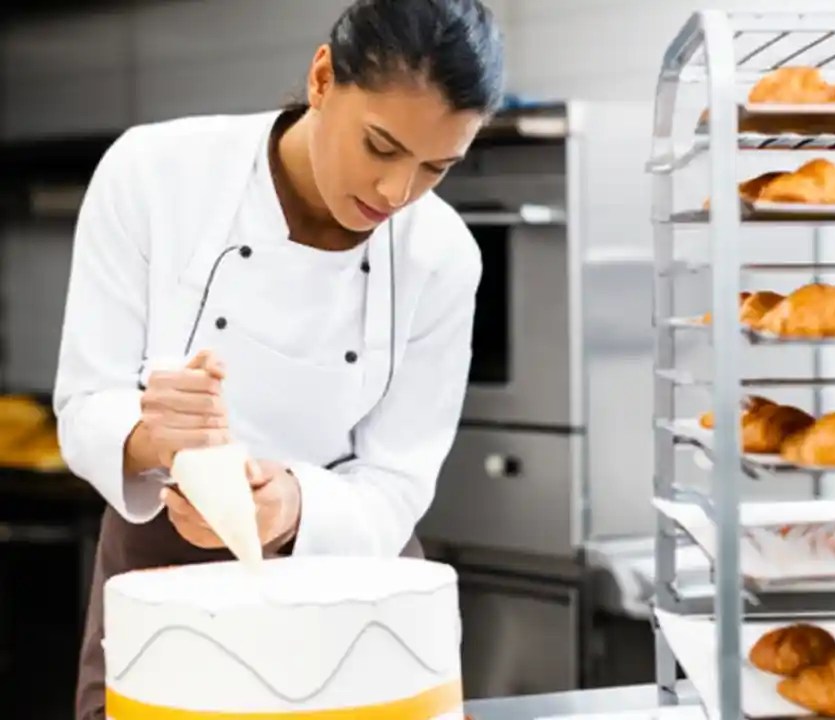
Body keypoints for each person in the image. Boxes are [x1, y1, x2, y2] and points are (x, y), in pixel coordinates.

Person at [50, 0, 504, 717]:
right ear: (323, 78)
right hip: (162, 573)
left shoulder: (442, 255)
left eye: (436, 168)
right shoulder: (154, 173)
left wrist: (290, 506)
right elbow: (85, 405)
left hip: (352, 585)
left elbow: (398, 479)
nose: (397, 192)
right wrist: (152, 435)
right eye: (381, 147)